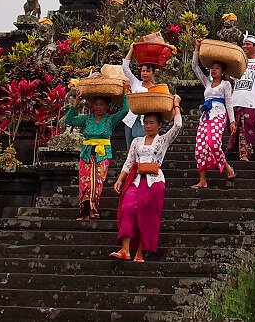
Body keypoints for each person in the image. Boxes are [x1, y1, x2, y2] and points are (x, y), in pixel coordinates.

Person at [110, 97, 182, 262]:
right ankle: (125, 250)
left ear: (159, 125)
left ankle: (140, 253)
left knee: (147, 216)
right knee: (128, 207)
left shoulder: (162, 140)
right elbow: (129, 162)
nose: (148, 126)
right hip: (136, 180)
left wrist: (176, 104)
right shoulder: (137, 141)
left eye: (151, 123)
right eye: (146, 123)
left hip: (154, 182)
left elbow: (177, 125)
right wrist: (120, 179)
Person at [63, 82, 130, 220]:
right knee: (85, 181)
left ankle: (93, 209)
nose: (98, 107)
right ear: (92, 106)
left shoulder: (110, 120)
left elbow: (124, 111)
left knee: (97, 182)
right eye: (96, 104)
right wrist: (76, 103)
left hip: (102, 153)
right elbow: (69, 120)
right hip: (87, 153)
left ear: (107, 106)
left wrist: (125, 92)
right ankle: (84, 212)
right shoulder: (88, 119)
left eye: (101, 104)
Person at [191, 41, 236, 188]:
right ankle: (202, 180)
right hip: (206, 116)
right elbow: (195, 67)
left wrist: (232, 121)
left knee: (214, 143)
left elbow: (229, 103)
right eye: (212, 68)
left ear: (222, 71)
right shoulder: (207, 83)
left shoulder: (225, 84)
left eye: (217, 68)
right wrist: (197, 49)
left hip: (219, 114)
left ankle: (227, 166)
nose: (213, 70)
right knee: (200, 147)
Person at [121, 43, 181, 150]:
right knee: (130, 149)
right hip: (130, 119)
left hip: (144, 121)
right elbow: (125, 67)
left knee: (141, 147)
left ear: (153, 73)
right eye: (143, 71)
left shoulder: (156, 89)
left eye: (148, 71)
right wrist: (131, 50)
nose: (144, 73)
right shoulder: (136, 83)